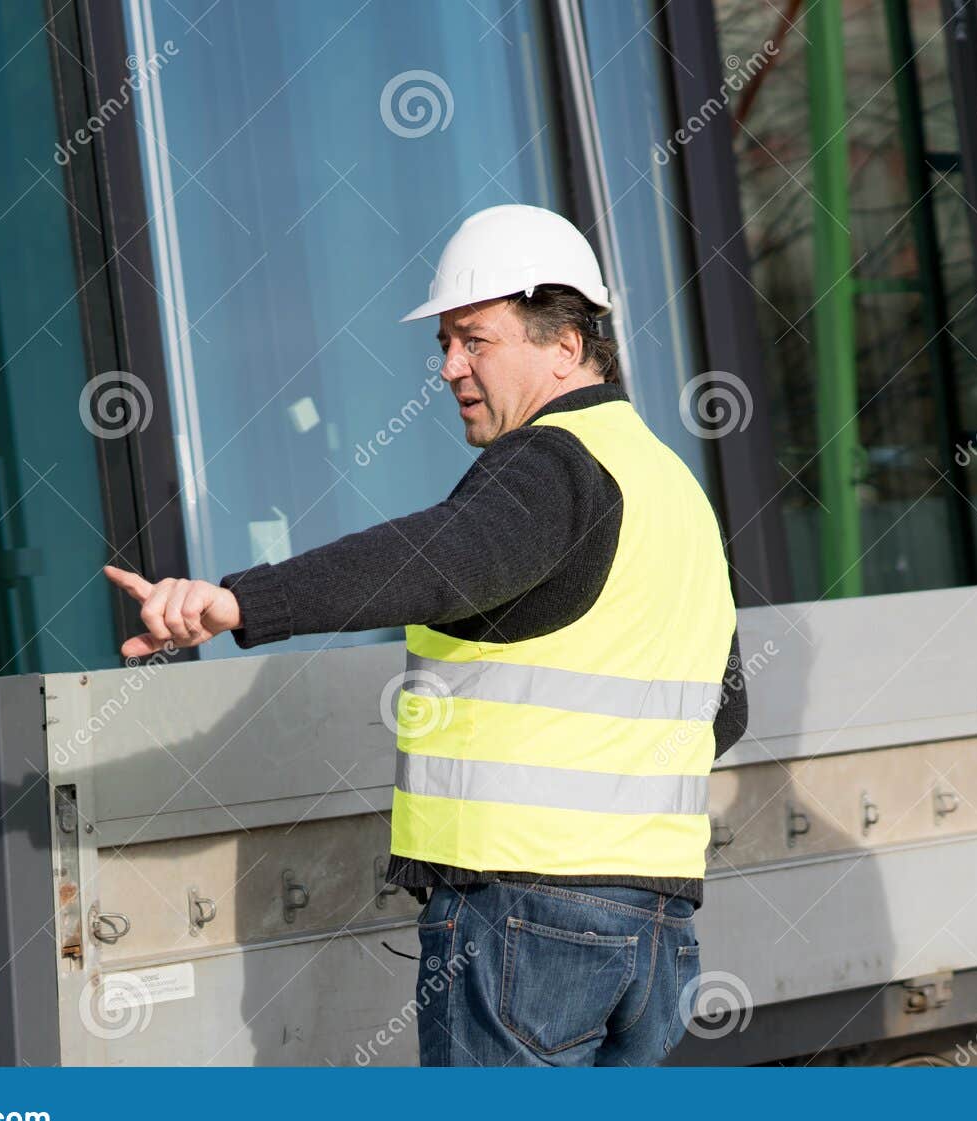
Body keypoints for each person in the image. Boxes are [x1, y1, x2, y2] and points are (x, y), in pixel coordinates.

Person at [102, 203, 744, 1067]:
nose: (448, 368)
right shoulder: (672, 486)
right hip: (655, 928)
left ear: (566, 344)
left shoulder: (552, 464)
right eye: (444, 343)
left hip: (529, 913)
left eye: (475, 340)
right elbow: (724, 708)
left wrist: (235, 603)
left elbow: (430, 559)